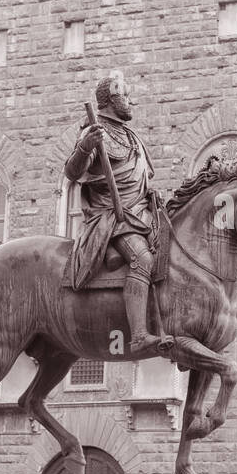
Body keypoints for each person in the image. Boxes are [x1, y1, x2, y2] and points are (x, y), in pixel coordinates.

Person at [64, 73, 173, 357]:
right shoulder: (93, 130)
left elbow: (141, 177)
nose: (131, 101)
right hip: (113, 217)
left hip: (141, 212)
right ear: (111, 100)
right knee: (143, 259)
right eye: (126, 96)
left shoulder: (129, 134)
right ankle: (138, 336)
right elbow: (73, 172)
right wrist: (85, 147)